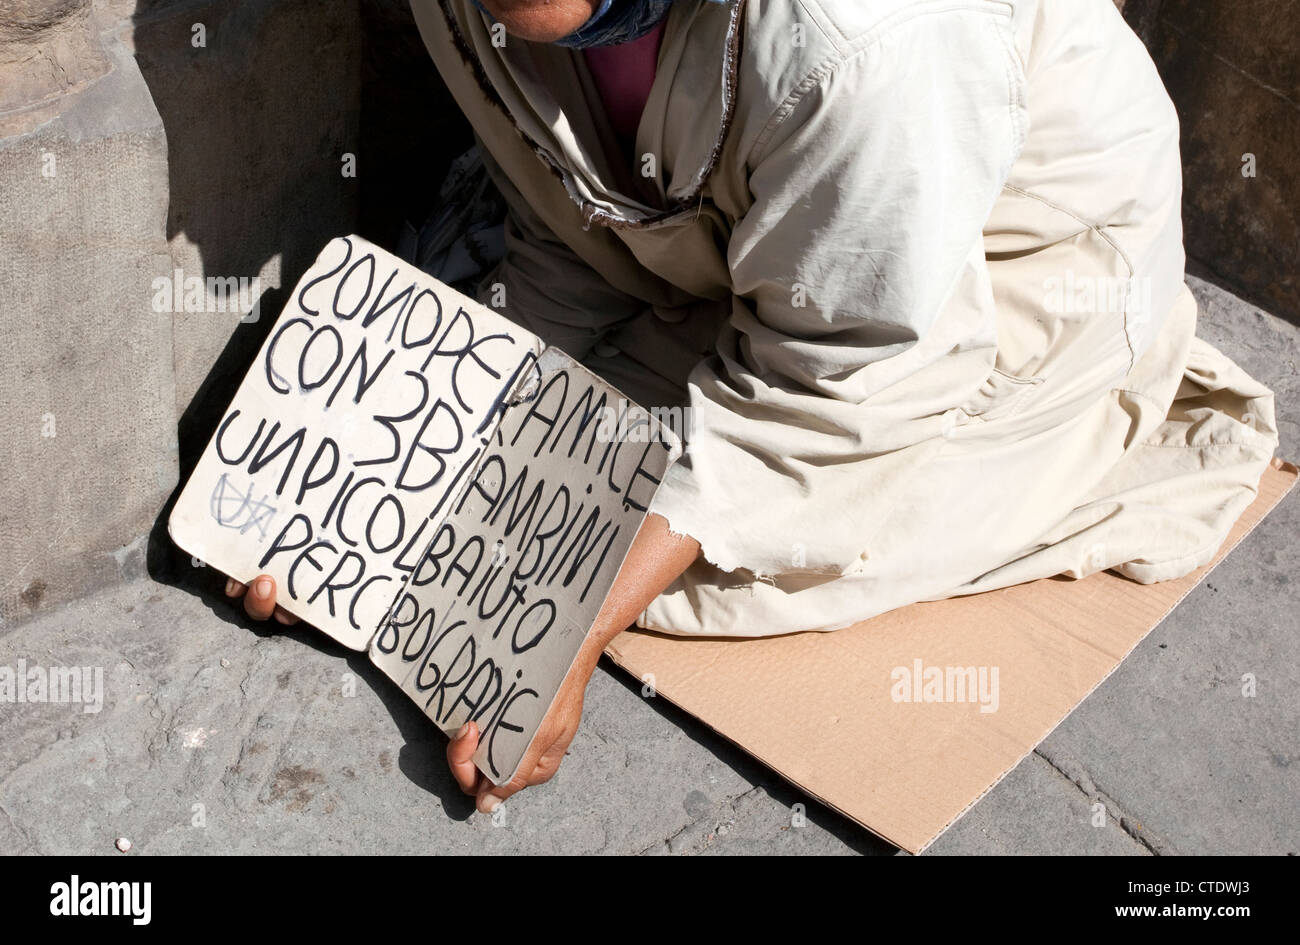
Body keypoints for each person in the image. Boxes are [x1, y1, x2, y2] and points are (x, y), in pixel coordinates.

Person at [225, 0, 1279, 814]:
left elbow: (847, 375)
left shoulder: (866, 37)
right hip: (736, 250)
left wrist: (571, 630)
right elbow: (560, 207)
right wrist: (380, 488)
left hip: (1004, 289)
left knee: (685, 578)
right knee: (496, 501)